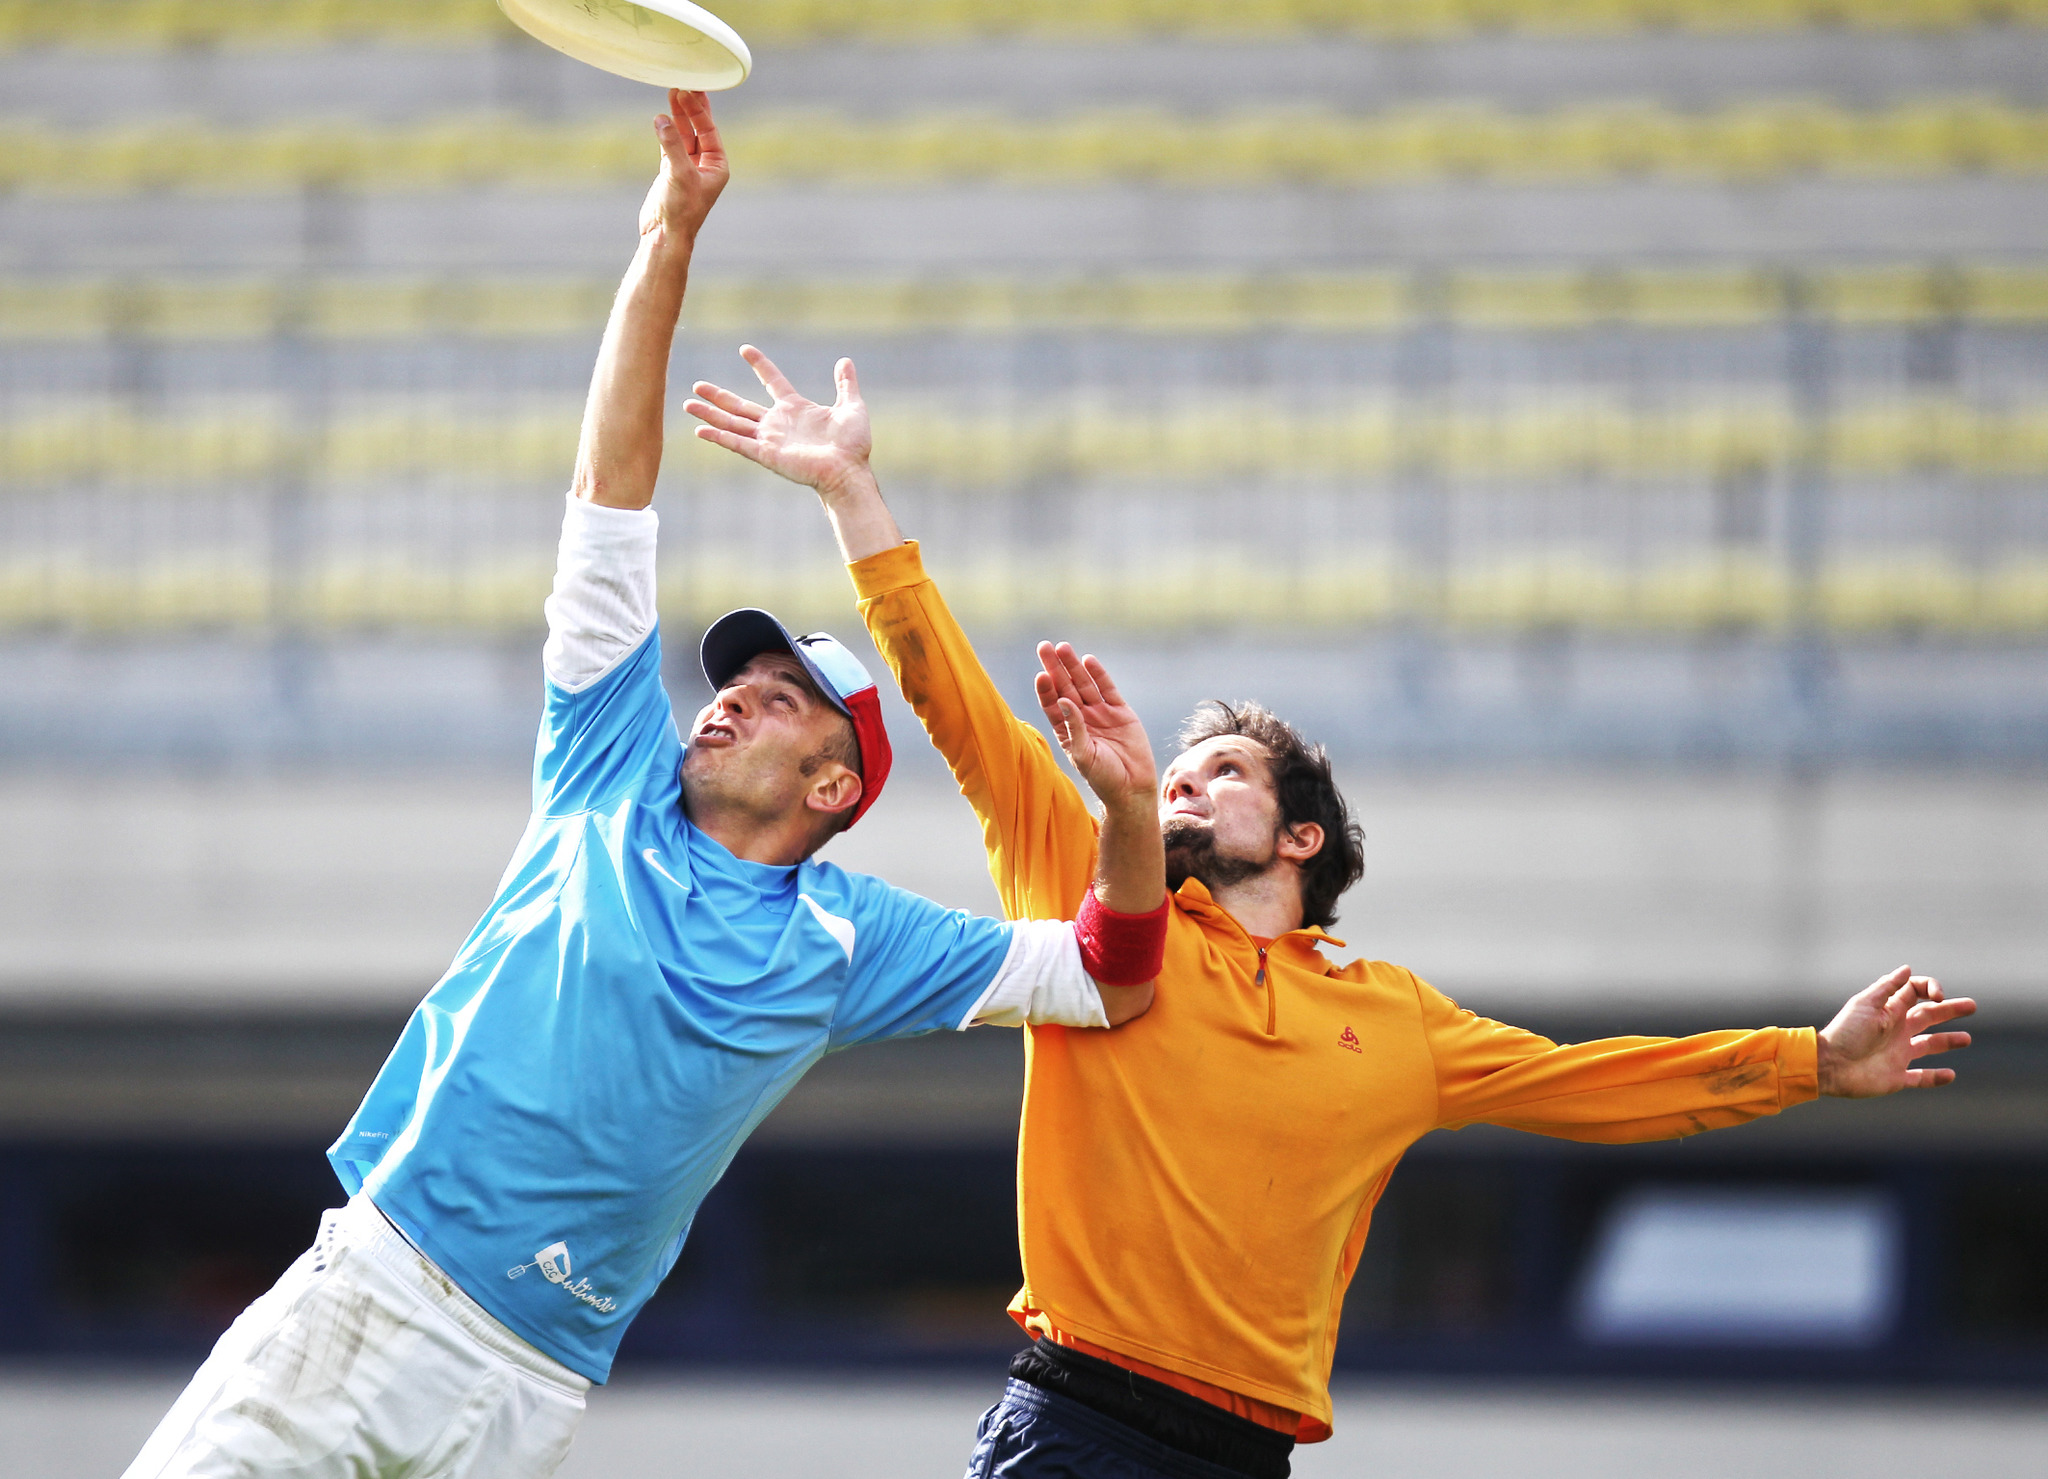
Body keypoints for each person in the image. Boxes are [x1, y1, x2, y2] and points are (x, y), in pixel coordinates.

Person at [685, 347, 1980, 1479]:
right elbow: (952, 700)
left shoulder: (1393, 1019)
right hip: (1071, 1430)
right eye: (1177, 770)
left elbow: (1598, 1084)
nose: (1184, 785)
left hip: (1247, 1460)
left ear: (1301, 838)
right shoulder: (1092, 894)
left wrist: (1814, 1061)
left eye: (1224, 774)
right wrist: (852, 492)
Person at [122, 91, 1171, 1479]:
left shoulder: (851, 940)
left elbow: (1113, 975)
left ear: (839, 783)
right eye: (737, 681)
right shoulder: (606, 766)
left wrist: (1131, 812)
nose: (730, 695)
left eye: (781, 695)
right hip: (362, 1303)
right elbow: (613, 485)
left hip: (531, 1388)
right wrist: (667, 233)